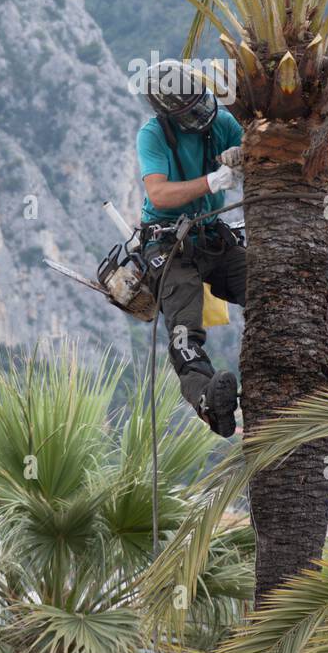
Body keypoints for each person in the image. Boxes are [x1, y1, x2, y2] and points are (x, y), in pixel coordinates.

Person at [136, 59, 245, 437]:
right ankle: (209, 400)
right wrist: (213, 182)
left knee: (267, 286)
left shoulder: (221, 123)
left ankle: (274, 361)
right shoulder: (152, 135)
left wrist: (246, 157)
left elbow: (256, 149)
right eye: (188, 112)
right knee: (184, 331)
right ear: (167, 115)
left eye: (200, 103)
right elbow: (158, 193)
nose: (199, 115)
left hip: (212, 236)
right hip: (169, 243)